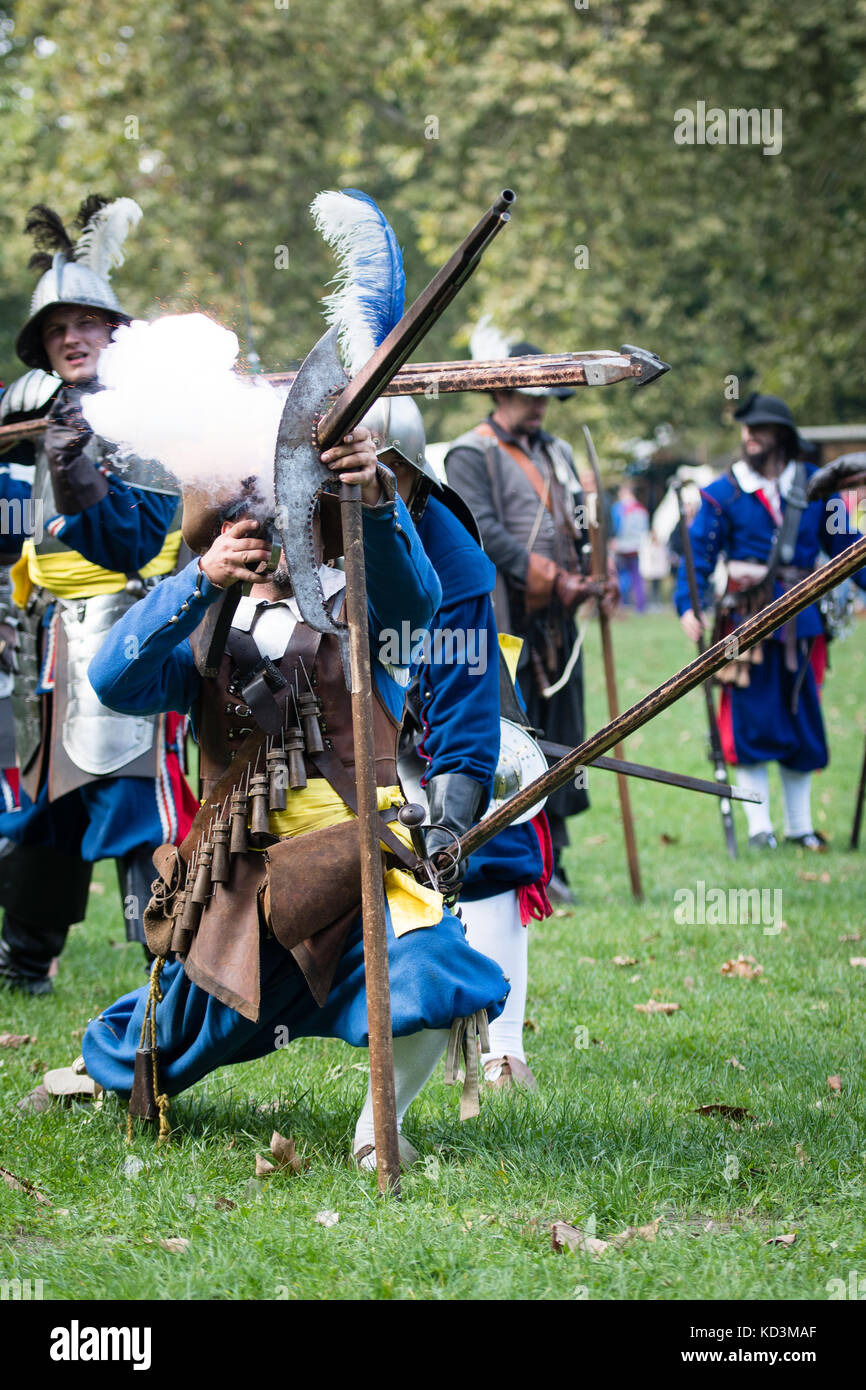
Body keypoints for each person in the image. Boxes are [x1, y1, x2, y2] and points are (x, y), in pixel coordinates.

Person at [79, 430, 509, 1169]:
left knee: (431, 968)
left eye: (290, 511)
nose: (272, 528)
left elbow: (420, 595)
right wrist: (198, 584)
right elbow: (114, 681)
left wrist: (374, 495)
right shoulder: (202, 623)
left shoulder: (371, 612)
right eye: (249, 514)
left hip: (357, 870)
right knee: (162, 1043)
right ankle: (96, 1073)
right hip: (238, 883)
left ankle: (380, 1130)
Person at [0, 197, 195, 994]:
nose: (72, 338)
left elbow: (133, 542)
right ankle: (23, 962)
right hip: (43, 643)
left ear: (116, 331)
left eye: (86, 323)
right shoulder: (23, 419)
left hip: (131, 629)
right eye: (57, 329)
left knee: (131, 810)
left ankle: (163, 968)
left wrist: (78, 466)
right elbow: (10, 534)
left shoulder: (146, 419)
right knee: (39, 815)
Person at [367, 397, 552, 1090]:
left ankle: (505, 1050)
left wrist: (448, 822)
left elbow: (459, 707)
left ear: (413, 477)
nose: (370, 495)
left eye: (387, 477)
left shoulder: (453, 560)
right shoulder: (317, 536)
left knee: (494, 847)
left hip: (461, 704)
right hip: (369, 716)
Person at [445, 332, 616, 903]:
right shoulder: (472, 453)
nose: (540, 405)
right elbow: (484, 531)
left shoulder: (559, 452)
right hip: (506, 618)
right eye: (529, 394)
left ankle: (558, 857)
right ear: (499, 391)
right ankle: (517, 859)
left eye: (545, 396)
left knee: (566, 734)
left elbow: (579, 521)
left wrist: (594, 575)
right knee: (519, 737)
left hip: (559, 619)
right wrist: (549, 576)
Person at [675, 392, 866, 849]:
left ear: (781, 436)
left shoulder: (817, 488)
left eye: (758, 429)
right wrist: (689, 604)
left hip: (804, 625)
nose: (749, 437)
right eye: (746, 429)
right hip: (746, 626)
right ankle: (761, 830)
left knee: (802, 723)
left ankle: (800, 827)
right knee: (751, 722)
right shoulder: (722, 493)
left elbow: (849, 545)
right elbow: (696, 554)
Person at [611, 482, 649, 612]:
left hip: (622, 547)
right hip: (636, 547)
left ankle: (622, 603)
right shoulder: (641, 509)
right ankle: (640, 606)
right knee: (637, 577)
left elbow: (616, 528)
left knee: (622, 576)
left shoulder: (619, 508)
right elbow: (644, 529)